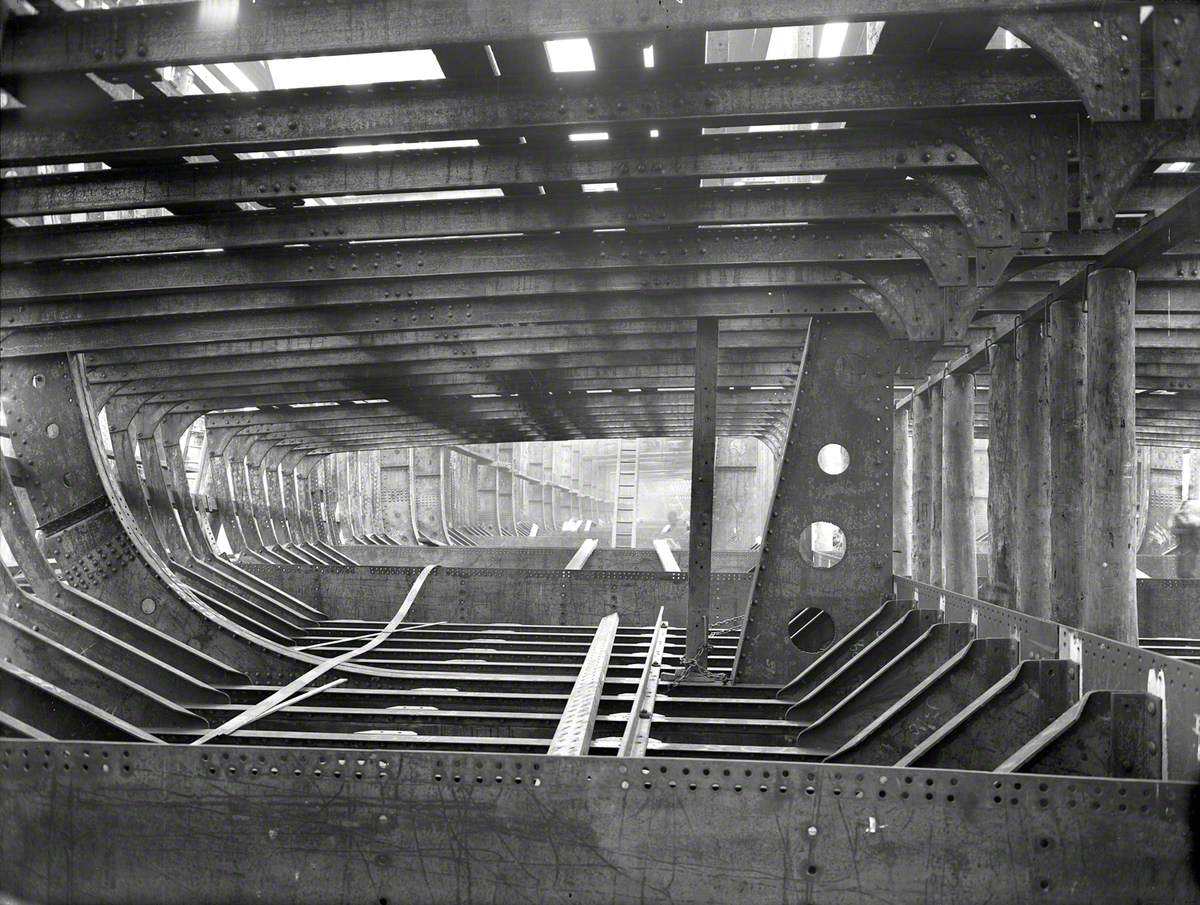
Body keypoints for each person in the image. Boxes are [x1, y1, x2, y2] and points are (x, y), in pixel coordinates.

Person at [1172, 498, 1200, 579]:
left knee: (1189, 565)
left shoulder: (1186, 517)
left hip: (1191, 548)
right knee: (1185, 567)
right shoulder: (1180, 517)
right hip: (1186, 547)